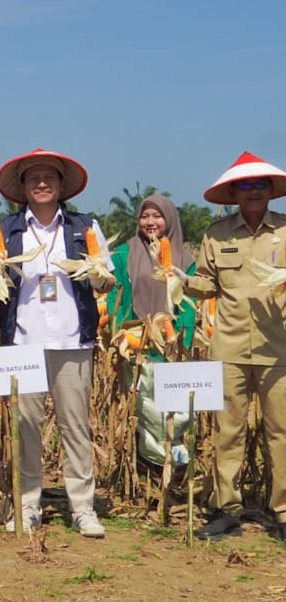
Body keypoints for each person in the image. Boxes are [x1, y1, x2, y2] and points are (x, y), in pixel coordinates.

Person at [0, 148, 114, 538]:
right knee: (26, 428)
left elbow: (107, 281)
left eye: (49, 177)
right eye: (33, 178)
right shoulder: (3, 230)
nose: (41, 184)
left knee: (76, 426)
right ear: (22, 188)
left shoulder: (85, 226)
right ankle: (28, 505)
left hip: (73, 341)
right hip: (23, 341)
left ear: (61, 185)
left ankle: (82, 508)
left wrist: (99, 274)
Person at [183, 152, 286, 542]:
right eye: (246, 186)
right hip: (229, 347)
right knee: (228, 431)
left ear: (271, 191)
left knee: (281, 431)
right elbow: (207, 284)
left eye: (260, 185)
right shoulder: (217, 234)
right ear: (234, 193)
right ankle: (226, 510)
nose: (254, 191)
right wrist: (180, 281)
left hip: (279, 347)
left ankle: (283, 510)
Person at [104, 195, 197, 470]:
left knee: (175, 409)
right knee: (142, 406)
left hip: (171, 344)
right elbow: (116, 296)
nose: (150, 222)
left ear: (170, 219)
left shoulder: (186, 260)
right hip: (136, 343)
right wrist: (121, 333)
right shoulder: (123, 254)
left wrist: (179, 341)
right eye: (145, 216)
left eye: (157, 216)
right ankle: (148, 468)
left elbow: (188, 305)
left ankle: (172, 464)